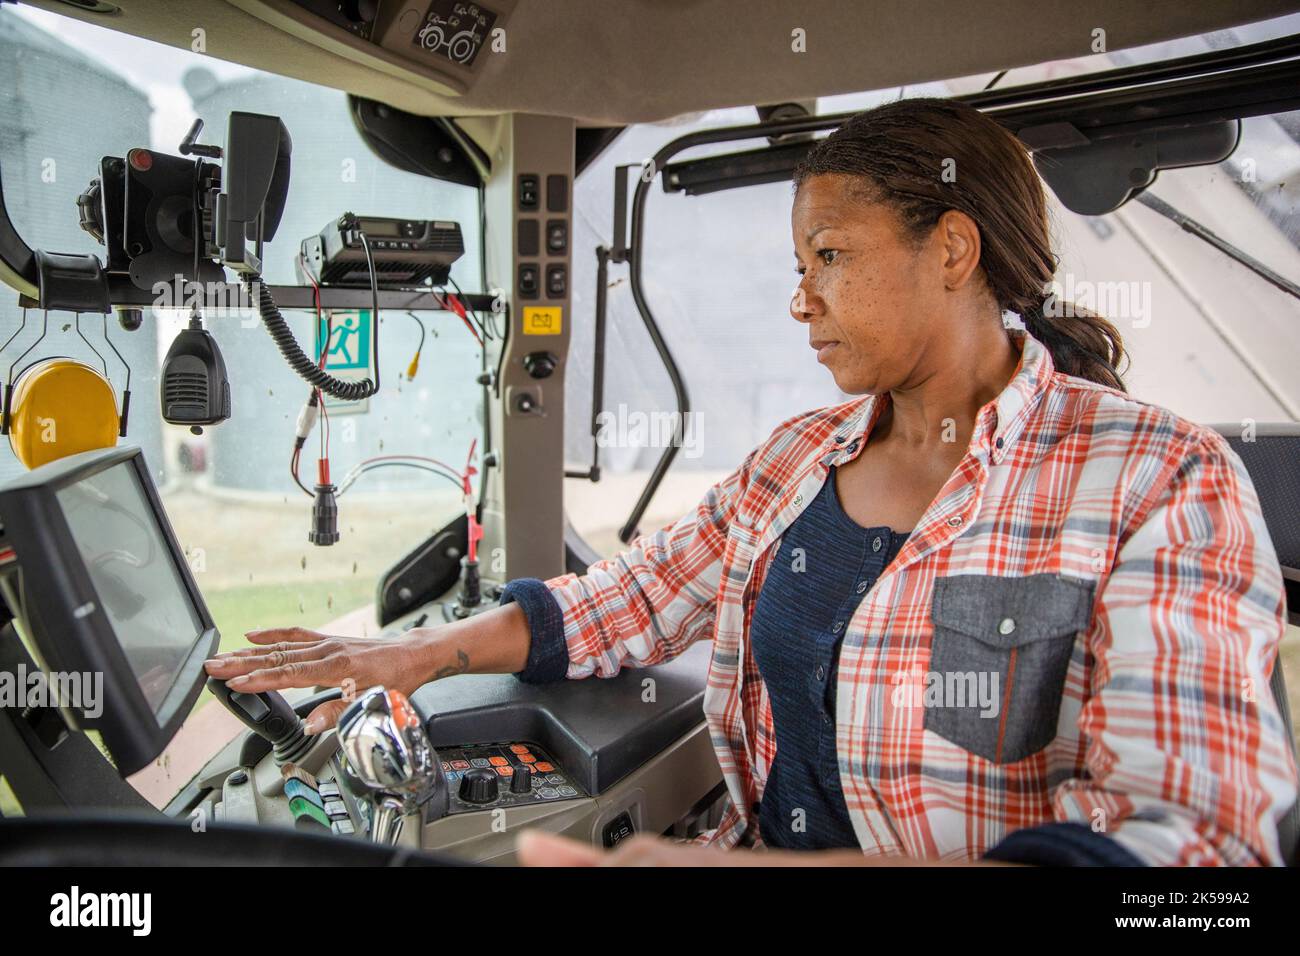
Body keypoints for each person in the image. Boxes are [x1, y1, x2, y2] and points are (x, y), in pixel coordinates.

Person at [205, 97, 1298, 867]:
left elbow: (1189, 843)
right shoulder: (794, 458)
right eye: (796, 266)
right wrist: (410, 652)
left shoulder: (1163, 479)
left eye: (829, 256)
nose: (799, 300)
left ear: (952, 249)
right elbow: (624, 599)